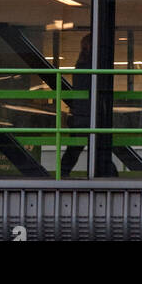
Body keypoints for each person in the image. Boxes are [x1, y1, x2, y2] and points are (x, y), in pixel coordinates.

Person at [60, 32, 93, 177]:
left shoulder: (81, 64)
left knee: (74, 149)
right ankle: (109, 175)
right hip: (86, 115)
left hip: (80, 114)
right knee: (99, 149)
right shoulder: (89, 65)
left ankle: (62, 173)